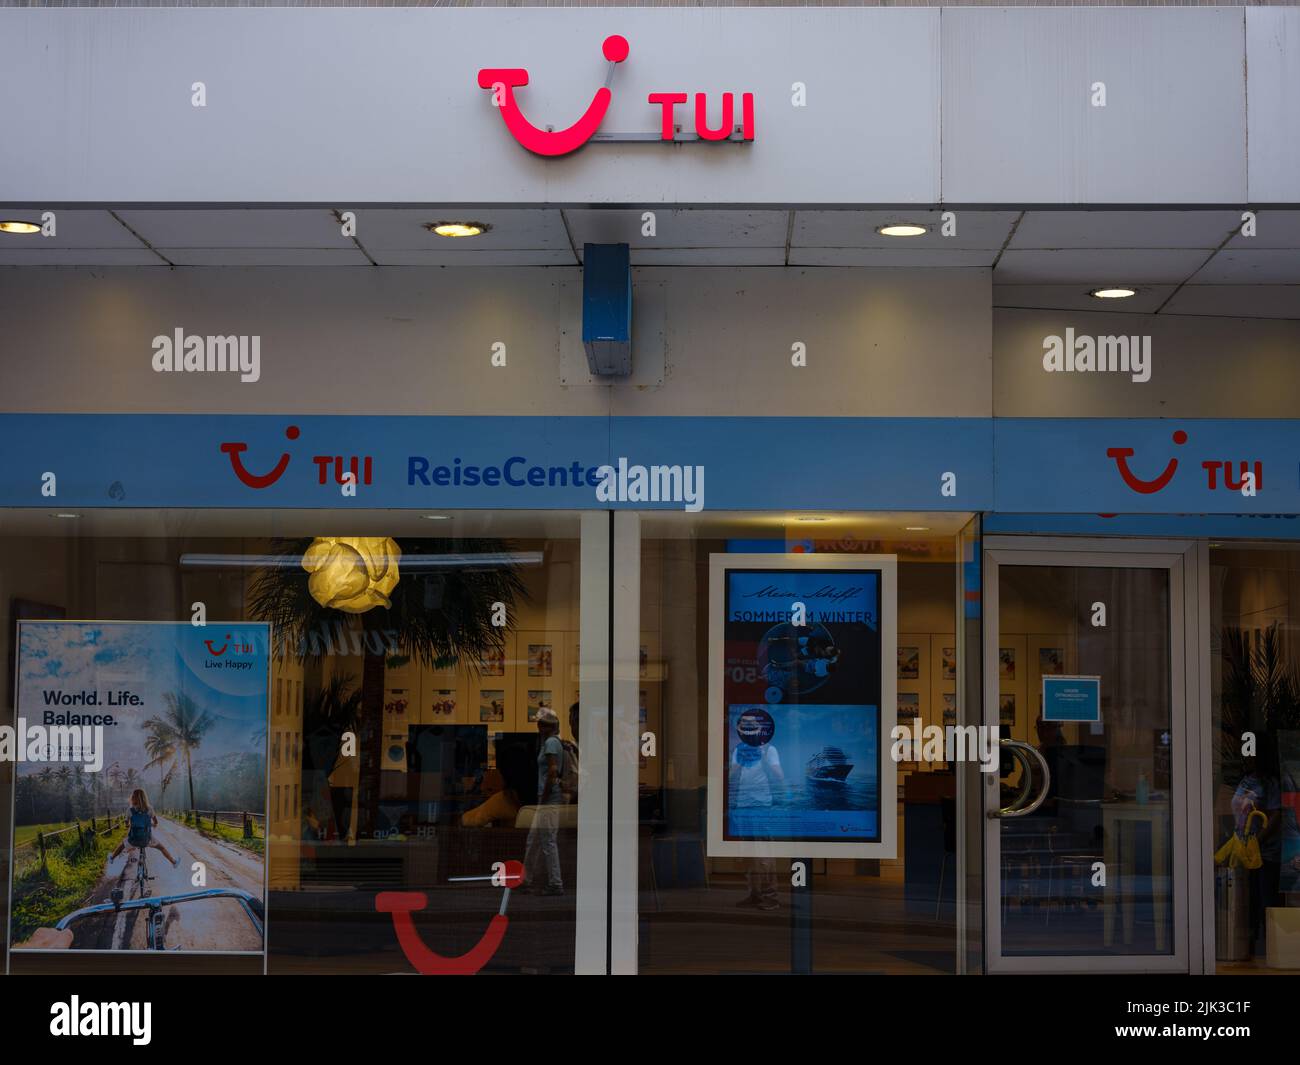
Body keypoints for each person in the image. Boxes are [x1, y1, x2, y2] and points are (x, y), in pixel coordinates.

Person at [520, 708, 566, 896]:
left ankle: (556, 883)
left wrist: (545, 797)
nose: (538, 726)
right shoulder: (553, 743)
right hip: (547, 798)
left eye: (541, 723)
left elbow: (552, 772)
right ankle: (526, 879)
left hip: (548, 799)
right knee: (534, 840)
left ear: (548, 726)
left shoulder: (550, 744)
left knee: (547, 841)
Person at [108, 788, 179, 870]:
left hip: (133, 839)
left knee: (122, 845)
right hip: (147, 839)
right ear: (144, 797)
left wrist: (130, 824)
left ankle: (112, 858)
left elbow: (126, 824)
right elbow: (156, 822)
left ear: (133, 797)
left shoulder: (130, 810)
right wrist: (152, 824)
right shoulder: (150, 809)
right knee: (162, 848)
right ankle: (174, 862)